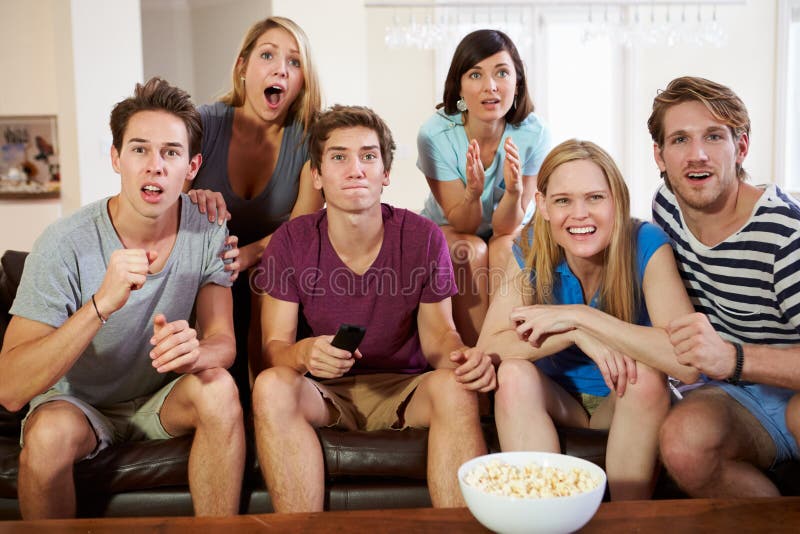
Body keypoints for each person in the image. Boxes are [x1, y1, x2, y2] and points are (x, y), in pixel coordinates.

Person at [0, 78, 245, 518]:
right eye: (139, 149)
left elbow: (223, 342)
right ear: (116, 158)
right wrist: (100, 305)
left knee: (220, 390)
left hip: (161, 401)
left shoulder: (208, 228)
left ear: (192, 167)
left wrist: (196, 353)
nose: (155, 166)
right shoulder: (63, 242)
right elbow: (11, 390)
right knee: (47, 434)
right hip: (78, 406)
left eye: (171, 152)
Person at [250, 105, 496, 512]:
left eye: (368, 156)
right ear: (317, 175)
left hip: (404, 387)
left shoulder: (423, 237)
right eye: (339, 157)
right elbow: (274, 347)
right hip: (324, 391)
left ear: (385, 174)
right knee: (272, 385)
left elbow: (439, 337)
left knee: (455, 388)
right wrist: (303, 353)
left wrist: (464, 359)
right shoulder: (291, 241)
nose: (355, 169)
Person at [478, 139, 699, 500]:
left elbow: (687, 363)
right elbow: (490, 346)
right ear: (544, 206)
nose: (579, 214)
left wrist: (580, 317)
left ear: (617, 202)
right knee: (513, 375)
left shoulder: (646, 242)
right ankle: (543, 518)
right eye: (563, 200)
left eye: (595, 197)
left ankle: (629, 525)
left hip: (623, 396)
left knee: (644, 376)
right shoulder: (531, 246)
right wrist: (574, 334)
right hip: (559, 398)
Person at [650, 76, 800, 497]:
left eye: (714, 137)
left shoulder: (786, 236)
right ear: (659, 156)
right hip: (737, 398)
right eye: (680, 139)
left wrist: (732, 358)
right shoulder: (667, 206)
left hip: (791, 387)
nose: (697, 156)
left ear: (742, 148)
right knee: (683, 441)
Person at [188, 16, 324, 399]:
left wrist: (246, 255)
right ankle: (222, 403)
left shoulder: (310, 137)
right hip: (205, 261)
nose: (281, 68)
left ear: (301, 82)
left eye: (295, 62)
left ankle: (266, 407)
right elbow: (167, 202)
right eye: (268, 55)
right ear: (243, 67)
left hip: (272, 261)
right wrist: (189, 200)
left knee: (267, 277)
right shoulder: (204, 123)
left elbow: (304, 225)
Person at [417, 29, 551, 345]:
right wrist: (473, 192)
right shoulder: (434, 134)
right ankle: (474, 356)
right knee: (469, 250)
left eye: (501, 73)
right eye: (476, 74)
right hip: (450, 224)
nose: (490, 87)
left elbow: (507, 228)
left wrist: (516, 190)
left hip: (509, 226)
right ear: (459, 86)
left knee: (508, 249)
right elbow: (464, 222)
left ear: (517, 83)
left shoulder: (534, 133)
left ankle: (500, 352)